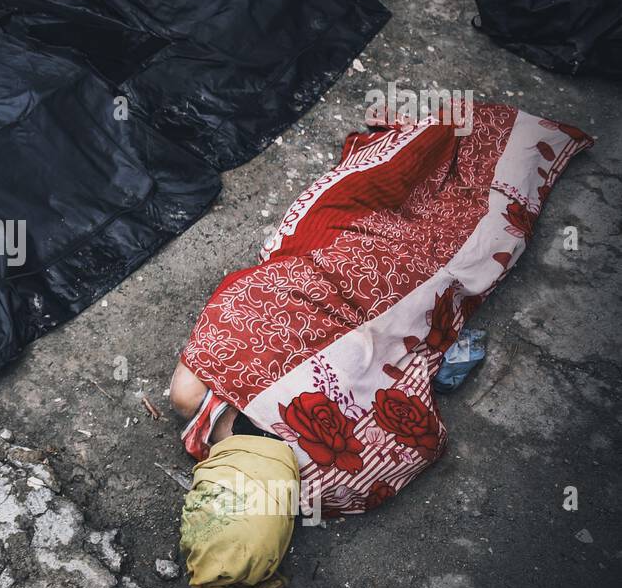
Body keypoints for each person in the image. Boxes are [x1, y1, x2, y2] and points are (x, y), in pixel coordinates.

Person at [171, 103, 591, 518]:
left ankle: (456, 141)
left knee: (409, 228)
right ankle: (466, 137)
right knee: (438, 241)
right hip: (370, 285)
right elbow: (240, 296)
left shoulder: (331, 488)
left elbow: (249, 297)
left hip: (327, 277)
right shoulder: (325, 482)